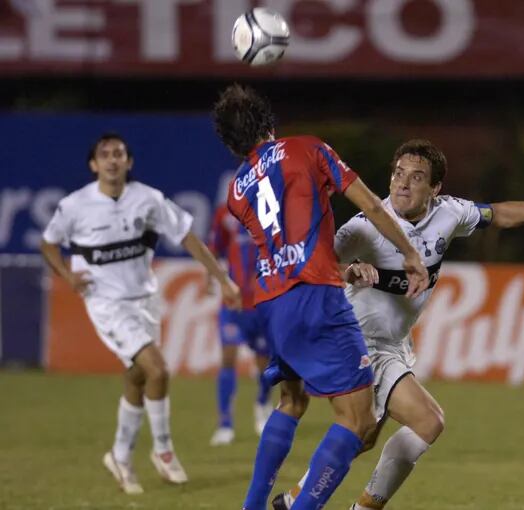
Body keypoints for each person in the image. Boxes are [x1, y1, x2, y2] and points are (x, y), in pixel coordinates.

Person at [273, 139, 524, 510]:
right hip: (358, 341)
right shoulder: (365, 226)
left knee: (362, 437)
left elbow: (499, 214)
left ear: (435, 188)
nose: (403, 184)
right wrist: (348, 270)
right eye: (398, 174)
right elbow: (318, 265)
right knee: (427, 422)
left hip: (393, 343)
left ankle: (295, 498)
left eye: (416, 177)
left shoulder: (450, 213)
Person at [212, 84, 429, 510]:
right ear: (268, 122)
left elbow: (288, 235)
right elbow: (371, 205)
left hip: (272, 300)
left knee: (291, 401)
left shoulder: (236, 191)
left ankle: (252, 506)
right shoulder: (308, 149)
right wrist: (409, 254)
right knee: (359, 421)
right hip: (316, 296)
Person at [39, 132, 242, 494]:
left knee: (137, 375)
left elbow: (187, 236)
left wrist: (222, 279)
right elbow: (48, 243)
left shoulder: (147, 199)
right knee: (158, 369)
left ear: (129, 162)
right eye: (105, 155)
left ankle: (119, 454)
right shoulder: (75, 205)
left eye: (119, 154)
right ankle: (163, 450)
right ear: (94, 164)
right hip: (106, 303)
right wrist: (67, 275)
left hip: (144, 300)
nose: (113, 160)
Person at [207, 203, 274, 446]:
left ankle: (262, 402)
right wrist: (210, 276)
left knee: (264, 362)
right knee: (227, 358)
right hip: (233, 301)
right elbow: (215, 247)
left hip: (263, 302)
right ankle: (225, 424)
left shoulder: (272, 209)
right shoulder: (226, 212)